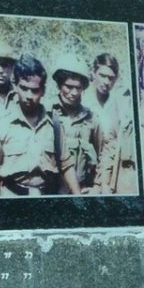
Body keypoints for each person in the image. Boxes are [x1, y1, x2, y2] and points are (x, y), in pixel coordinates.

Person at [0, 54, 66, 196]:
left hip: (46, 197)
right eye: (24, 88)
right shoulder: (0, 124)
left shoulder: (54, 124)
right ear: (15, 87)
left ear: (43, 90)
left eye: (34, 90)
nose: (29, 95)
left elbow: (66, 164)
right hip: (12, 197)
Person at [49, 59, 99, 193]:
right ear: (59, 85)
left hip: (82, 188)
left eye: (78, 87)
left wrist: (98, 185)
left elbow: (103, 153)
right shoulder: (47, 114)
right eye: (68, 86)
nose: (74, 92)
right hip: (52, 190)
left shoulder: (91, 118)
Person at [88, 52, 127, 195]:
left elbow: (111, 144)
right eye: (102, 76)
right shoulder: (82, 101)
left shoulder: (116, 105)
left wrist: (103, 183)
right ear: (93, 74)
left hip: (105, 172)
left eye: (110, 78)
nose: (106, 82)